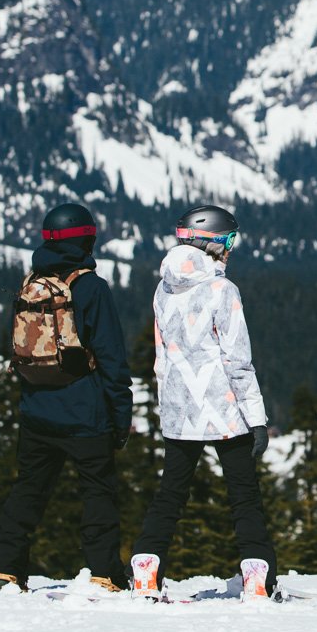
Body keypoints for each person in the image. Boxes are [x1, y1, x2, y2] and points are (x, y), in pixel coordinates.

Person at [129, 205, 281, 599]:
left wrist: (169, 406)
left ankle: (147, 566)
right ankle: (258, 576)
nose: (232, 248)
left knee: (171, 493)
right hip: (225, 409)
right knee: (244, 495)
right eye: (229, 240)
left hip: (181, 411)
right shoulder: (222, 290)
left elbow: (161, 356)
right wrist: (257, 418)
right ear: (211, 242)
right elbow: (238, 361)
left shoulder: (163, 288)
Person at [0, 202, 133, 594]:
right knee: (98, 493)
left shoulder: (32, 282)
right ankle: (104, 573)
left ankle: (4, 569)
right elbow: (112, 358)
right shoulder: (90, 287)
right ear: (87, 239)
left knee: (28, 490)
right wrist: (121, 415)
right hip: (85, 413)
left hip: (37, 411)